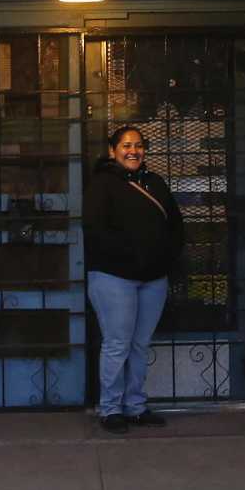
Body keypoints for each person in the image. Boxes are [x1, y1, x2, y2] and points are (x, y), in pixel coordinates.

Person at [83, 124, 185, 434]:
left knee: (140, 345)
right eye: (126, 145)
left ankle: (136, 406)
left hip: (153, 279)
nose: (133, 150)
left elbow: (176, 226)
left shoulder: (156, 183)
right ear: (113, 151)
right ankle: (111, 409)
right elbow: (96, 230)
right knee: (118, 344)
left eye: (139, 145)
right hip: (114, 278)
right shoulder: (102, 184)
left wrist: (165, 258)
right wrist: (134, 257)